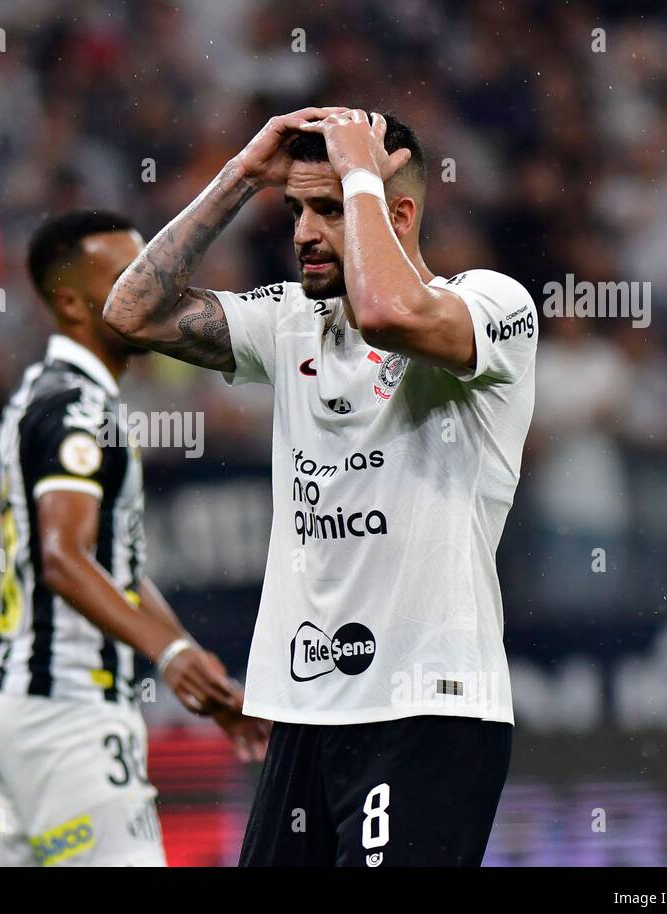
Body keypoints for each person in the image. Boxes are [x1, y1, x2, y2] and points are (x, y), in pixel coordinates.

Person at [104, 108, 538, 866]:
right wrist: (240, 174)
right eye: (295, 209)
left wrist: (363, 173)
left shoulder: (494, 306)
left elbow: (387, 311)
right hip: (304, 711)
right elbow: (129, 312)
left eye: (329, 209)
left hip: (428, 707)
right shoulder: (292, 320)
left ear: (396, 213)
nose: (303, 232)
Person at [0, 209, 268, 866]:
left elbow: (115, 569)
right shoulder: (74, 405)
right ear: (71, 302)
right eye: (129, 277)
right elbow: (63, 558)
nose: (151, 291)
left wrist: (189, 659)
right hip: (67, 715)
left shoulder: (48, 393)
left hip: (28, 708)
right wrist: (168, 658)